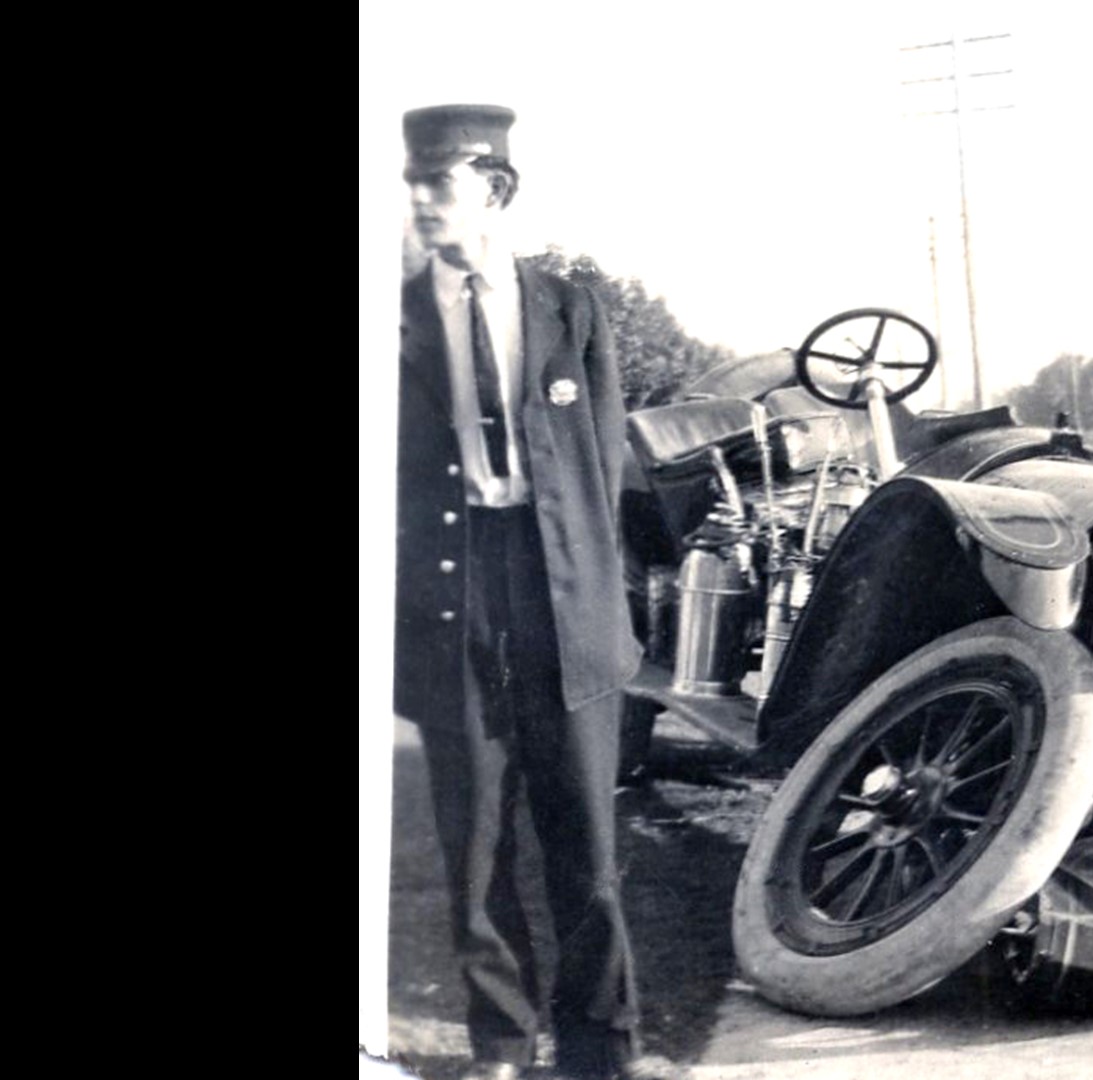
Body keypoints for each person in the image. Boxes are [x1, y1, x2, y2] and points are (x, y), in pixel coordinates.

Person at [395, 104, 671, 1080]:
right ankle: (502, 1046)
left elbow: (603, 462)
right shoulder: (392, 317)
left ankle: (601, 1045)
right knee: (476, 853)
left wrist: (605, 596)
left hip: (562, 594)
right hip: (448, 595)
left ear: (496, 189)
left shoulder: (570, 308)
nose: (420, 200)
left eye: (440, 181)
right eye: (412, 182)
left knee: (585, 847)